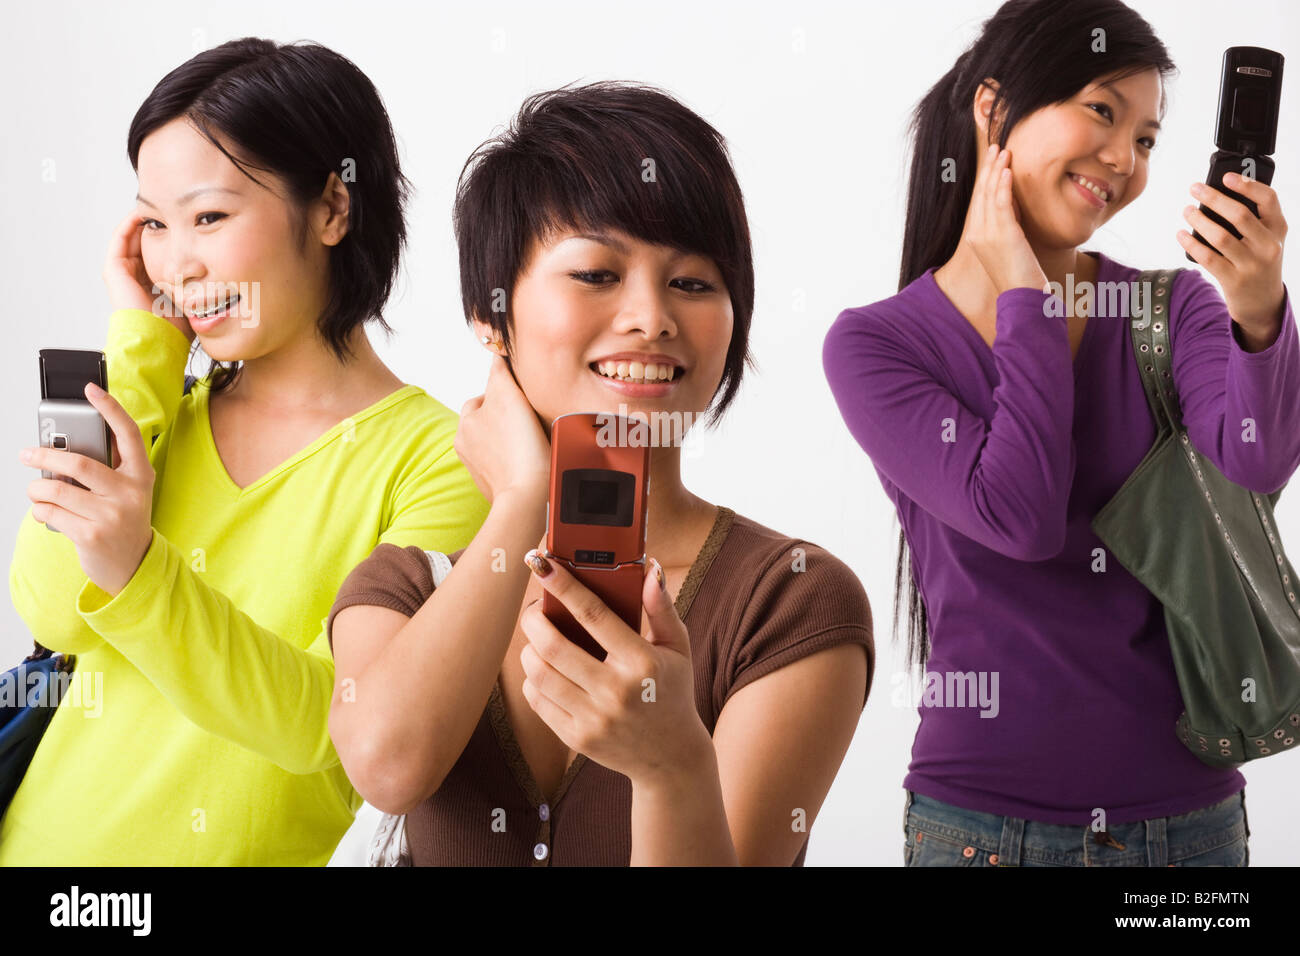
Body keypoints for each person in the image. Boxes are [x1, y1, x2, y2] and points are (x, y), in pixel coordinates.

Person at [327, 81, 874, 865]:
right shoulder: (407, 585)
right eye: (596, 275)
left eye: (692, 282)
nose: (651, 317)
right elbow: (387, 768)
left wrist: (671, 766)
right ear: (492, 317)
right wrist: (522, 501)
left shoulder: (789, 600)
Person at [824, 0, 1297, 867]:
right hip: (979, 831)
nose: (1123, 160)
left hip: (1186, 826)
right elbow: (1021, 515)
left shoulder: (1173, 306)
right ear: (993, 110)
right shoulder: (877, 345)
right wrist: (1027, 302)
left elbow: (1256, 464)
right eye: (1102, 111)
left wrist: (1261, 308)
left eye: (1148, 139)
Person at [2, 38, 488, 864]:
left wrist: (137, 569)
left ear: (334, 207)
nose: (178, 261)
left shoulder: (444, 460)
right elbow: (48, 610)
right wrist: (144, 351)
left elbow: (331, 730)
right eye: (155, 223)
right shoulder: (153, 406)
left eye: (210, 216)